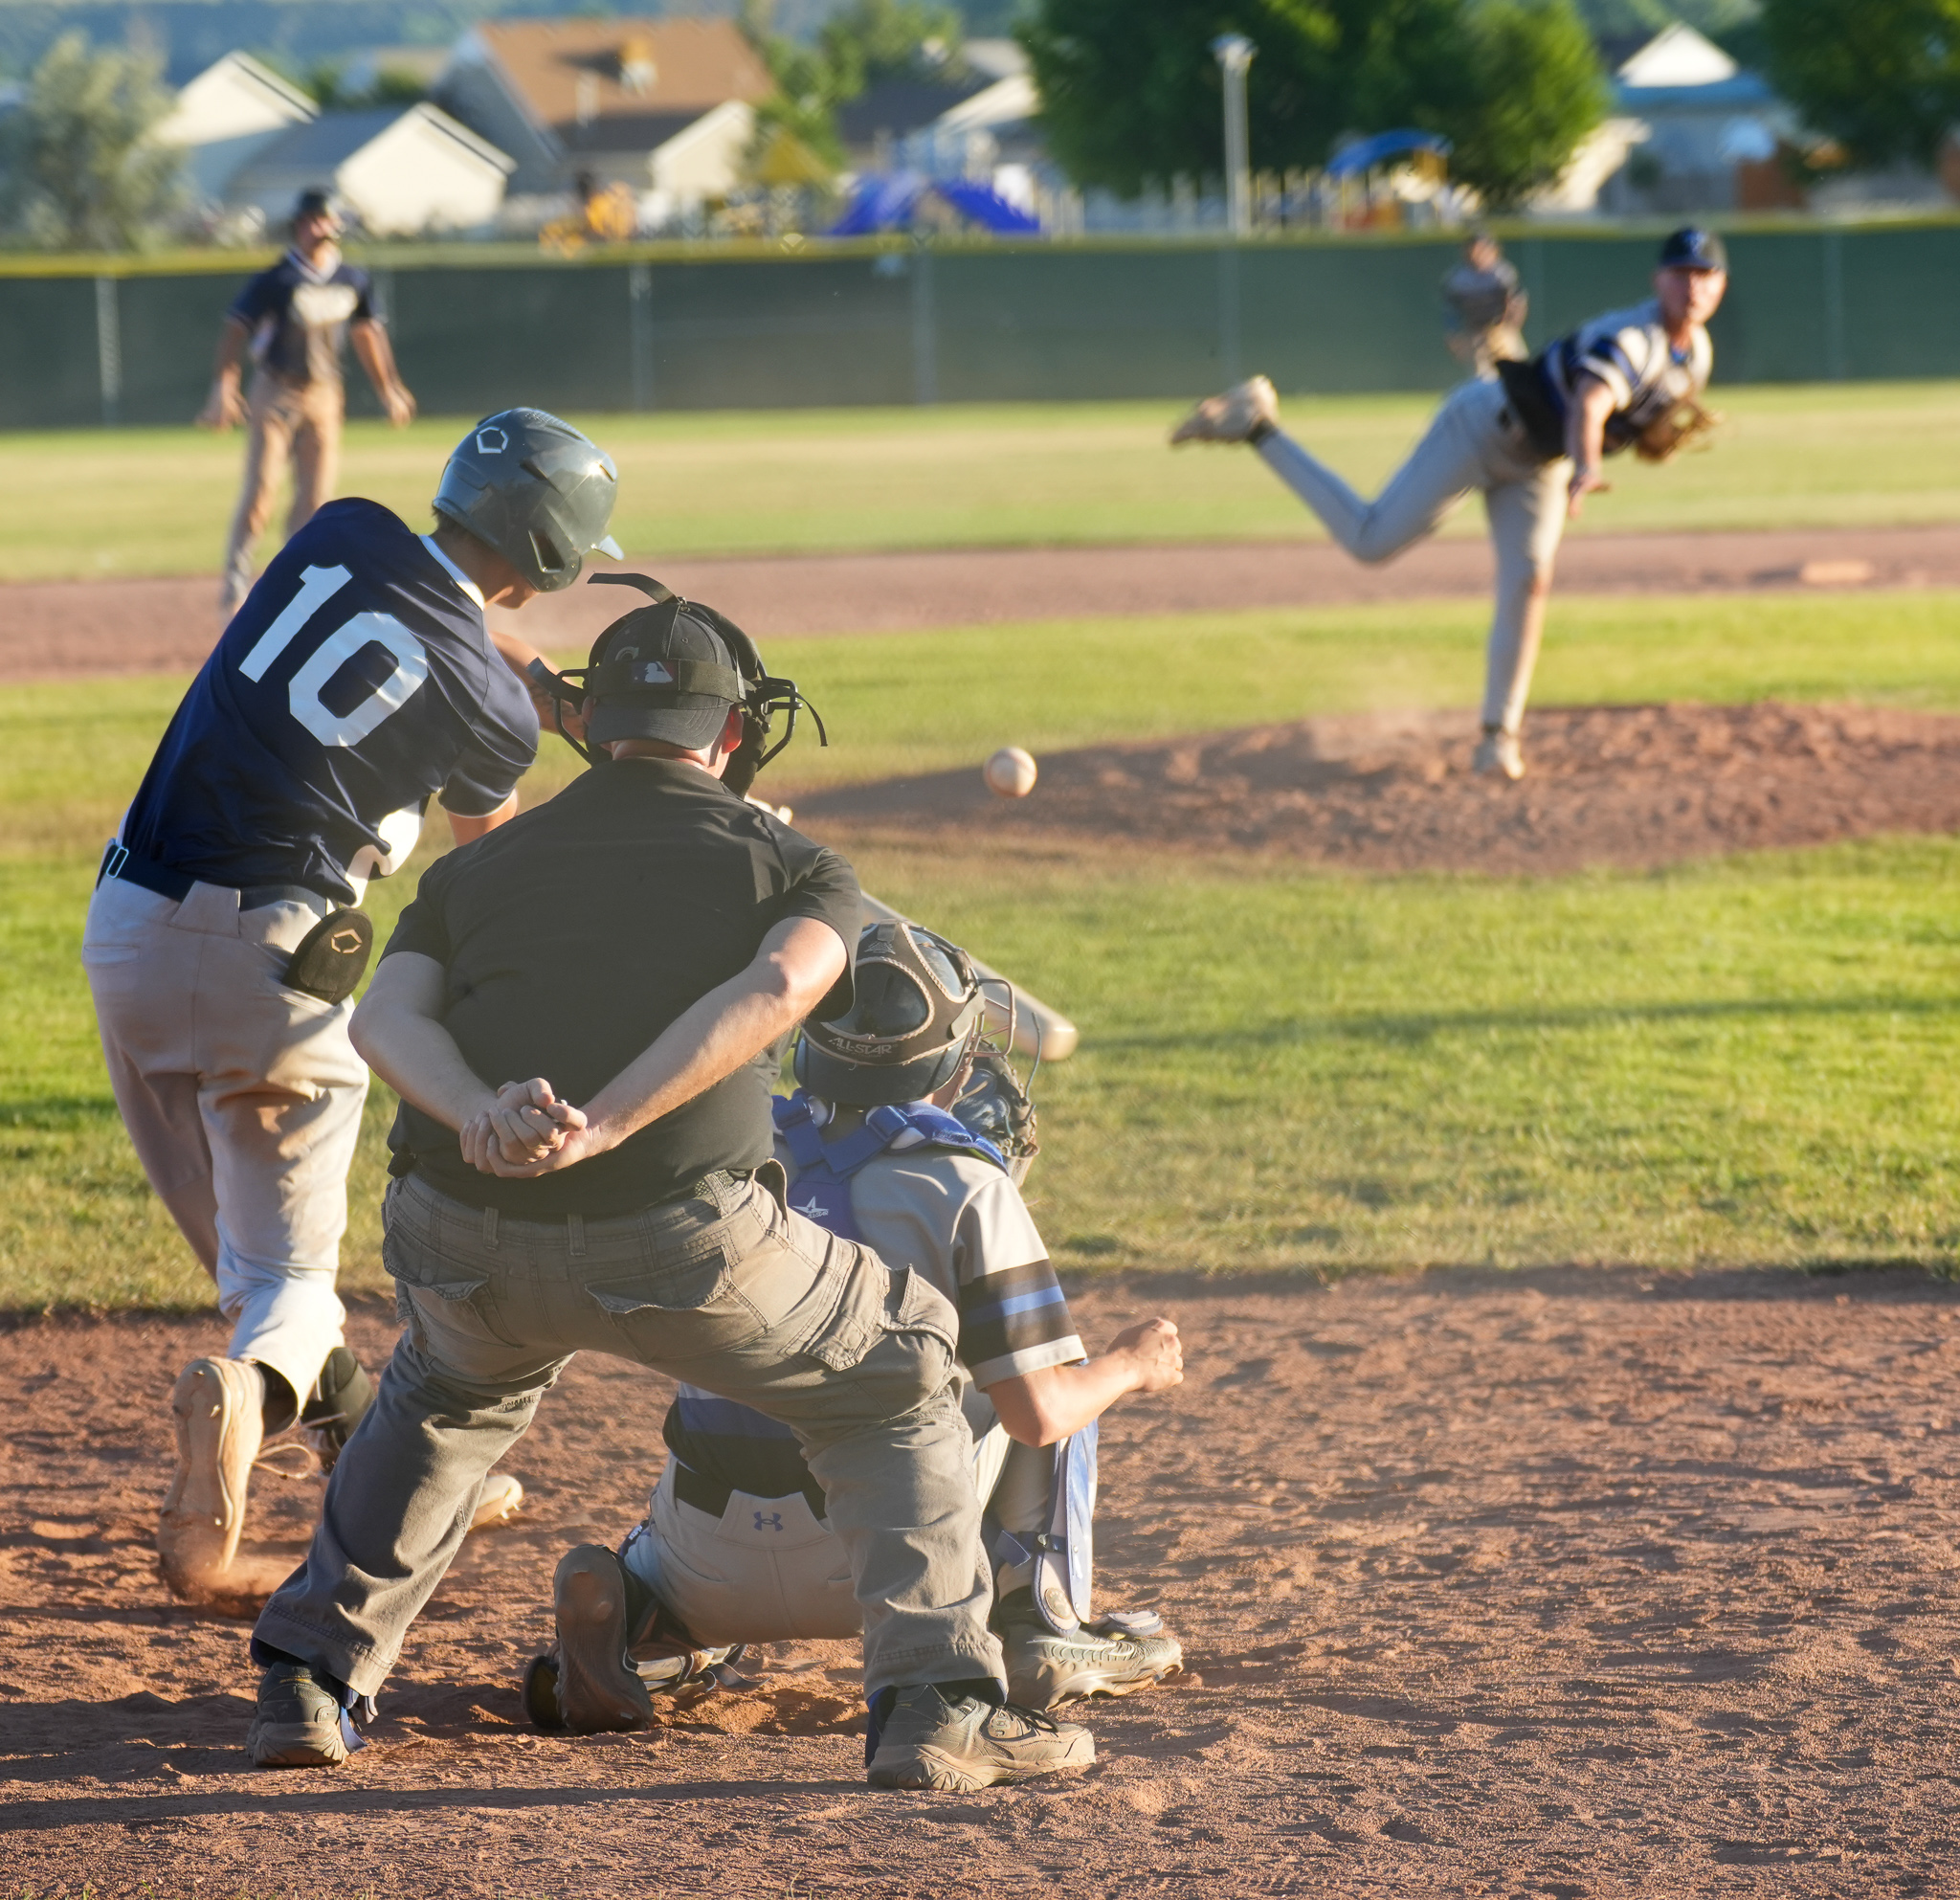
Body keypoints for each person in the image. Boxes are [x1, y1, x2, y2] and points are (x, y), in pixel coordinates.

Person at [243, 584, 1099, 1796]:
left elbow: (382, 1015)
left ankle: (307, 1676)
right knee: (902, 1360)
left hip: (460, 1225)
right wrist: (608, 1125)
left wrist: (486, 1111)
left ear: (588, 727)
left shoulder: (489, 860)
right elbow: (780, 990)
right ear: (736, 734)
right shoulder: (791, 860)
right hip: (681, 1236)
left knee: (440, 1392)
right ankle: (937, 1703)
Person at [83, 408, 623, 1601]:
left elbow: (429, 625)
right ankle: (249, 1400)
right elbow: (486, 866)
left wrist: (534, 687)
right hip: (273, 963)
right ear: (545, 568)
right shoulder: (490, 708)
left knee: (249, 1260)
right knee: (285, 1280)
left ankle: (362, 1455)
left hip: (126, 930)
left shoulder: (342, 528)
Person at [522, 921, 1186, 1732]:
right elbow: (1038, 1413)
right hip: (893, 1555)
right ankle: (1042, 1623)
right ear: (946, 1060)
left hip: (706, 1555)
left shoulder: (724, 1148)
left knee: (726, 1411)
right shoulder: (963, 1180)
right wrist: (1132, 1363)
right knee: (1056, 1370)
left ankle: (643, 1623)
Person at [1171, 226, 1730, 782]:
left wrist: (1643, 441)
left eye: (1705, 275)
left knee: (1529, 579)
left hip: (1538, 465)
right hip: (1484, 426)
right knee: (1371, 541)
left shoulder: (1695, 355)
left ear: (1721, 285)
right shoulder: (1637, 338)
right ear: (1659, 279)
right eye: (1681, 273)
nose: (1692, 286)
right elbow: (1591, 401)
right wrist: (1590, 463)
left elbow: (1646, 416)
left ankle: (1497, 741)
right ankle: (1258, 426)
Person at [199, 189, 418, 617]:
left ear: (336, 227)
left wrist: (388, 387)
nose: (317, 229)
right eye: (310, 221)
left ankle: (289, 584)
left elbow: (367, 334)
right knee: (262, 487)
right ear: (298, 226)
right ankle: (236, 577)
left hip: (324, 394)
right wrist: (223, 387)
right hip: (276, 390)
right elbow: (234, 330)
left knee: (316, 499)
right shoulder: (277, 280)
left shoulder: (352, 280)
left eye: (324, 221)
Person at [1441, 231, 1527, 378]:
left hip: (1501, 330)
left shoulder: (1501, 273)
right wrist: (1453, 336)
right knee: (1482, 379)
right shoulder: (1458, 278)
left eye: (1483, 248)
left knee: (1520, 376)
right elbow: (1451, 310)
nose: (1478, 253)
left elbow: (1517, 302)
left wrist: (1510, 328)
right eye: (1474, 249)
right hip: (1475, 334)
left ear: (1493, 250)